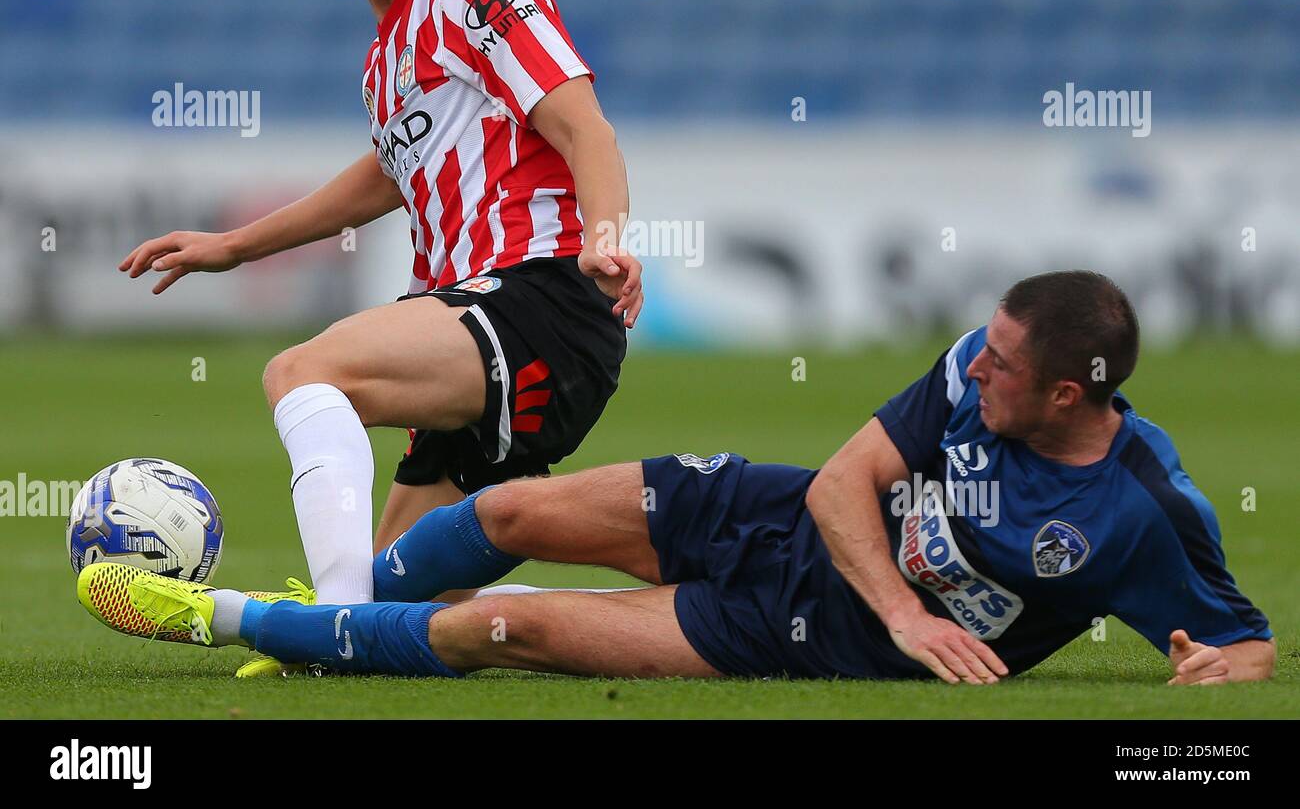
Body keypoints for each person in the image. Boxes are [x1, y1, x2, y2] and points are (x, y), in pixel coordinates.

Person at [79, 271, 1274, 685]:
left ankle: (230, 620)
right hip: (785, 513)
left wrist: (1213, 676)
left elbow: (1246, 644)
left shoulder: (1142, 514)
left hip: (811, 630)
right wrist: (914, 602)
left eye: (1009, 369)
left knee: (506, 629)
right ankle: (335, 622)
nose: (980, 369)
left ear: (1072, 395)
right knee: (508, 510)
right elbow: (844, 480)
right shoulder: (975, 365)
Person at [114, 0, 641, 675]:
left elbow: (589, 129)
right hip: (487, 327)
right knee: (413, 609)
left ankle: (328, 632)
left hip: (536, 298)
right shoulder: (386, 53)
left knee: (302, 371)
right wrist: (234, 246)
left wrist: (607, 241)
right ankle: (671, 620)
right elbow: (386, 178)